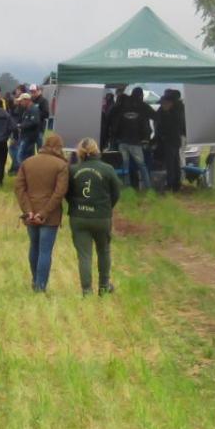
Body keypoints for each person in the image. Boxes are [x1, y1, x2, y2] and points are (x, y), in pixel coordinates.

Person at [14, 131, 70, 294]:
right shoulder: (61, 166)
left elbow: (19, 187)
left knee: (34, 246)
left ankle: (34, 280)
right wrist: (44, 213)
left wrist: (29, 211)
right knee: (45, 250)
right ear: (58, 147)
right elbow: (60, 193)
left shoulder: (28, 162)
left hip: (30, 213)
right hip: (50, 215)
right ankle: (40, 286)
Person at [66, 137, 122, 295]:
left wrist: (75, 205)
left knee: (84, 255)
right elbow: (116, 193)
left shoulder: (72, 170)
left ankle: (87, 290)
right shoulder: (107, 169)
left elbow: (67, 193)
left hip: (78, 217)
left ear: (79, 152)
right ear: (96, 150)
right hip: (101, 217)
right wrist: (106, 207)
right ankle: (104, 287)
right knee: (103, 251)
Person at [112, 86, 154, 192]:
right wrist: (146, 138)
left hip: (122, 141)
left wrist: (115, 136)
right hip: (136, 142)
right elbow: (154, 117)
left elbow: (114, 122)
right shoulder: (143, 106)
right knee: (142, 165)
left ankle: (127, 187)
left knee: (125, 165)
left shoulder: (121, 106)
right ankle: (148, 187)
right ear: (141, 95)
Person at [154, 88, 188, 193]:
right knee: (175, 162)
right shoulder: (179, 110)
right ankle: (175, 184)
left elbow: (163, 126)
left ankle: (171, 185)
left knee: (171, 163)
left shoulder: (173, 113)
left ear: (170, 103)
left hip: (171, 140)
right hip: (174, 140)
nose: (163, 105)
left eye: (165, 103)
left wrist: (161, 136)